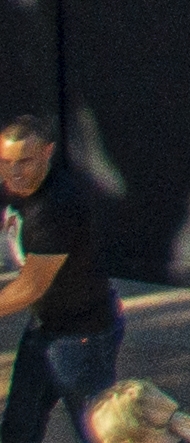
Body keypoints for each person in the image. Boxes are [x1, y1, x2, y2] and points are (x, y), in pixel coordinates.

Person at [0, 113, 128, 443]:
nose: (14, 172)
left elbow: (31, 286)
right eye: (6, 161)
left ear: (48, 152)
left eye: (25, 161)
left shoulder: (56, 206)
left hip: (83, 337)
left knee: (100, 434)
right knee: (17, 428)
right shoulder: (15, 184)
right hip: (45, 328)